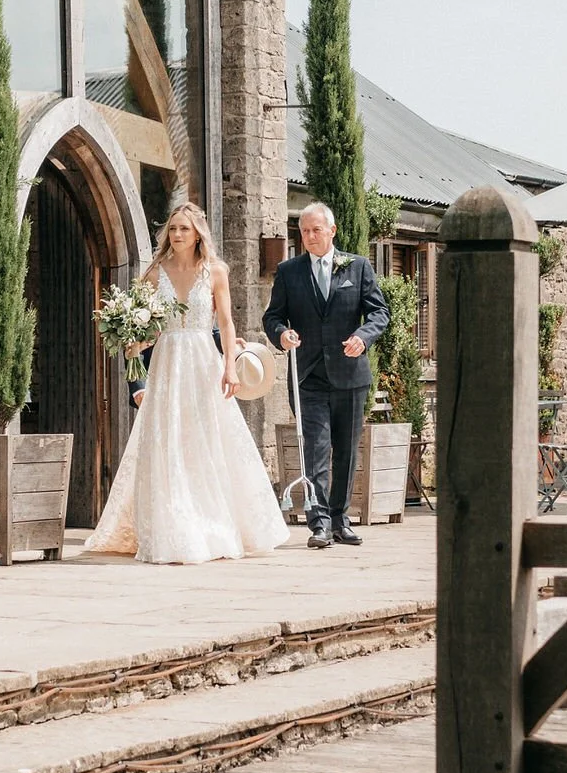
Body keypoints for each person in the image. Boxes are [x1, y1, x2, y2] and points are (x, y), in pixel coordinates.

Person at [84, 202, 288, 565]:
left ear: (197, 234)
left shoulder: (215, 272)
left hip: (201, 362)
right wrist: (136, 341)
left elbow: (225, 323)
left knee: (205, 437)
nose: (177, 235)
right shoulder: (154, 273)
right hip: (166, 362)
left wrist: (229, 367)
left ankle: (214, 522)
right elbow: (150, 324)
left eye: (184, 229)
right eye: (173, 229)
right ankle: (174, 523)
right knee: (168, 439)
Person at [262, 202, 389, 549]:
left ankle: (340, 520)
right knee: (315, 449)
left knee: (346, 451)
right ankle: (317, 523)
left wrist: (363, 338)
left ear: (332, 231)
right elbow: (272, 317)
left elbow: (380, 313)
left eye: (316, 230)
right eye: (304, 231)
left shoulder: (358, 267)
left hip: (350, 376)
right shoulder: (288, 272)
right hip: (308, 377)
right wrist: (281, 335)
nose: (309, 236)